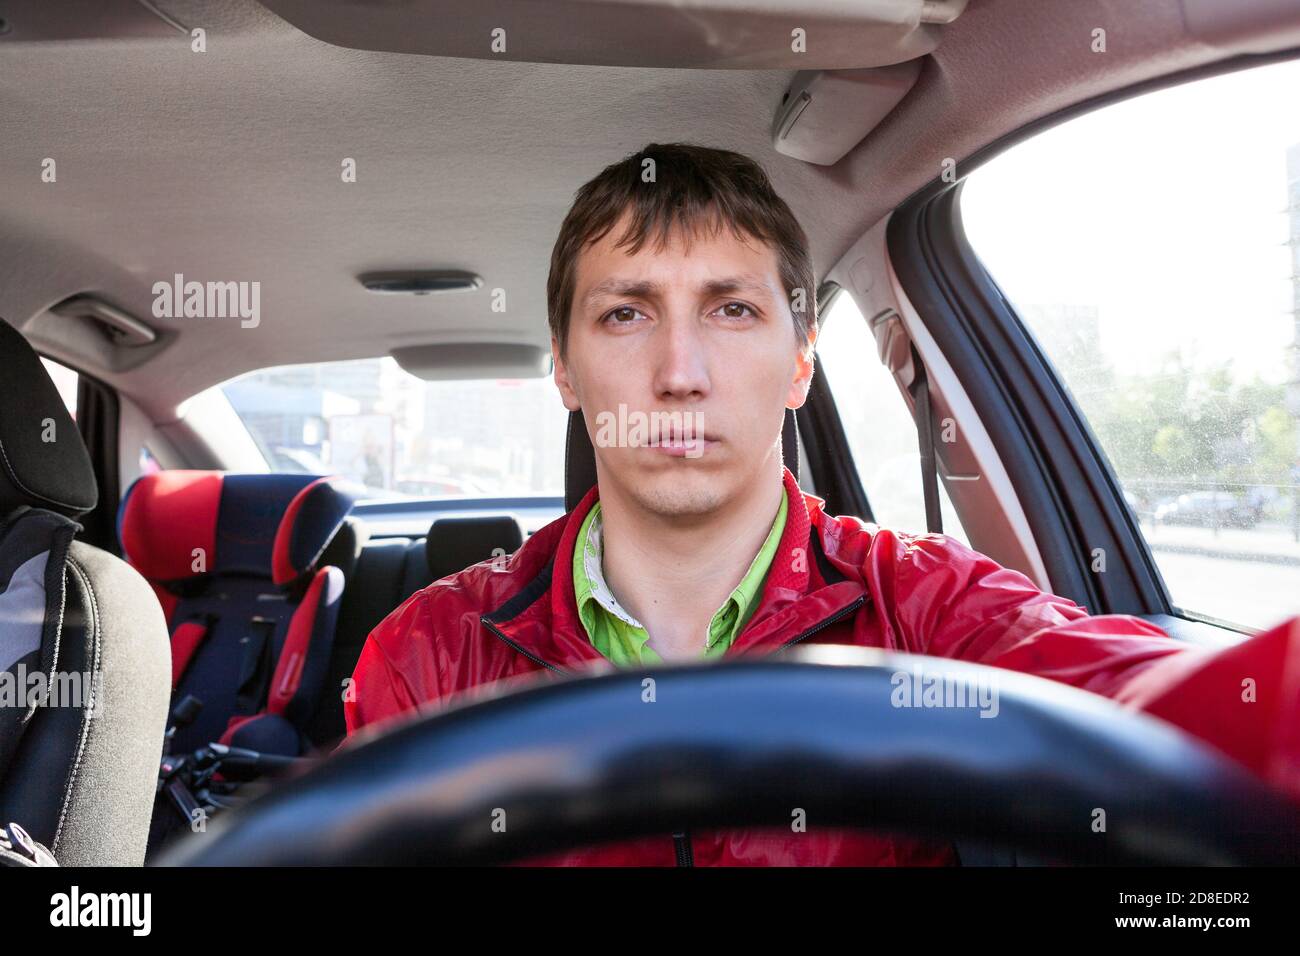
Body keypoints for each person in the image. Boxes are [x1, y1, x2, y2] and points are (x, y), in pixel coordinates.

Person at [345, 142, 1300, 865]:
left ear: (800, 362)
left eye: (733, 310)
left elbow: (1164, 706)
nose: (680, 374)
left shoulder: (925, 606)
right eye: (626, 312)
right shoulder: (423, 653)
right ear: (565, 369)